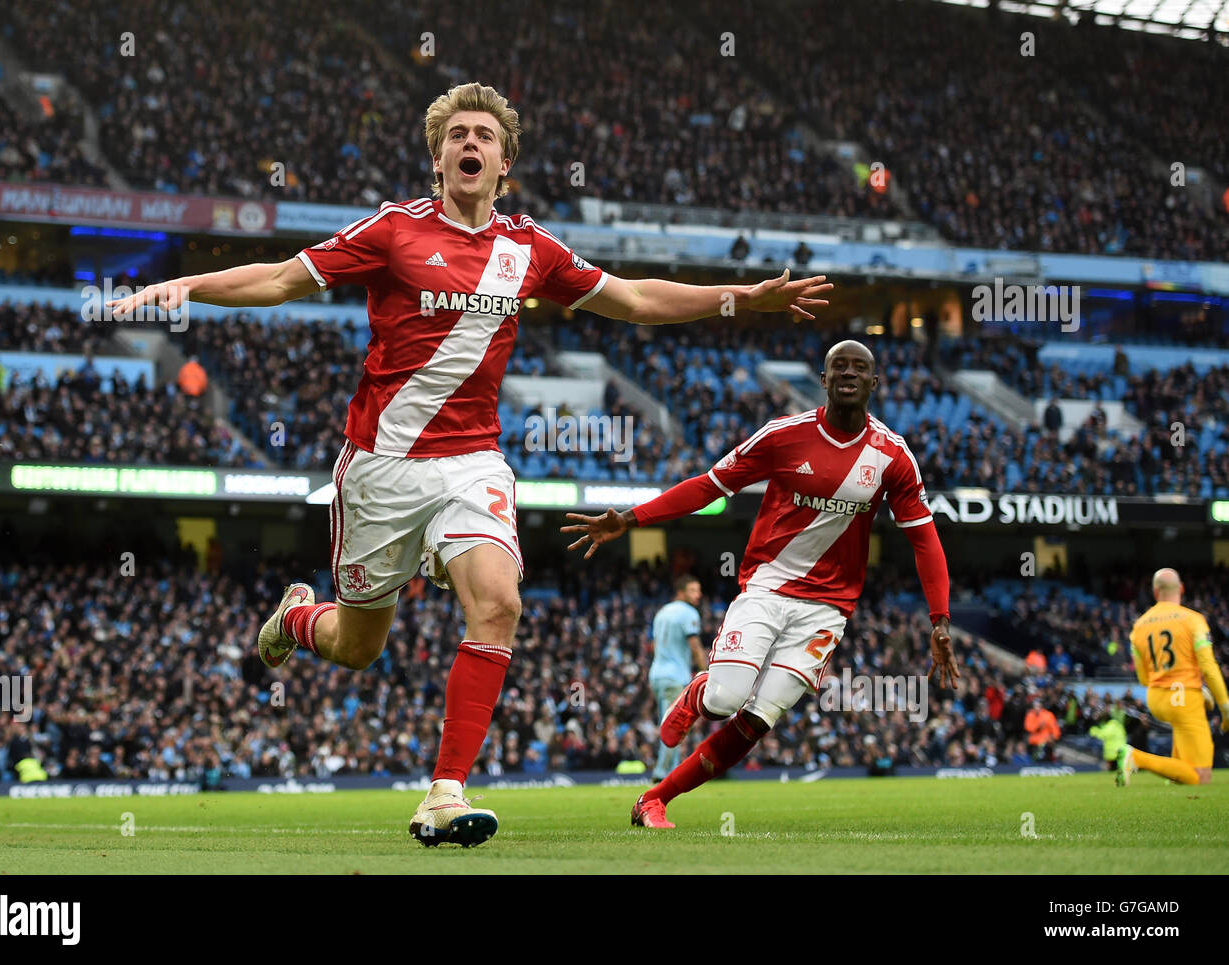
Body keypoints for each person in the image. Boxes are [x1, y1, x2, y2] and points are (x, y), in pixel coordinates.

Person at [106, 81, 833, 847]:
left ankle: (443, 793)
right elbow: (281, 278)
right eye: (456, 134)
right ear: (438, 156)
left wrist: (740, 298)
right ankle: (297, 615)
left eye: (483, 134)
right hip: (381, 468)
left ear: (504, 164)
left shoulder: (531, 249)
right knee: (360, 648)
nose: (469, 143)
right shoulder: (392, 231)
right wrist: (179, 288)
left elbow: (636, 299)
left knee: (499, 601)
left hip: (473, 462)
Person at [563, 340, 957, 828]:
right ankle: (698, 695)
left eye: (861, 367)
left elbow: (926, 541)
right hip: (767, 589)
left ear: (875, 382)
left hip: (827, 610)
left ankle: (654, 800)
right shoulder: (783, 436)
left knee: (758, 719)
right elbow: (709, 485)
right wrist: (631, 519)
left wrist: (939, 620)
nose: (849, 373)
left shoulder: (894, 457)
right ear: (824, 379)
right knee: (727, 699)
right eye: (839, 366)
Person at [1117, 567, 1229, 786]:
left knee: (1182, 737)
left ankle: (1173, 778)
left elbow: (1142, 677)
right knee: (1200, 776)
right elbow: (1208, 666)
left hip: (1157, 698)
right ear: (1182, 589)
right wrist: (1224, 705)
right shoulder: (1193, 620)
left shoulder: (1139, 626)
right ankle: (1137, 757)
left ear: (1155, 592)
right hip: (1184, 697)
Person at [648, 576, 706, 781]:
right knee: (674, 727)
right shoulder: (688, 613)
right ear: (681, 592)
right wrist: (706, 671)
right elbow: (695, 646)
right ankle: (661, 774)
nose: (698, 594)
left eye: (698, 590)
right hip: (674, 676)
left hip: (657, 674)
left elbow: (655, 644)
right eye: (693, 590)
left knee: (667, 722)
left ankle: (672, 773)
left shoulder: (662, 612)